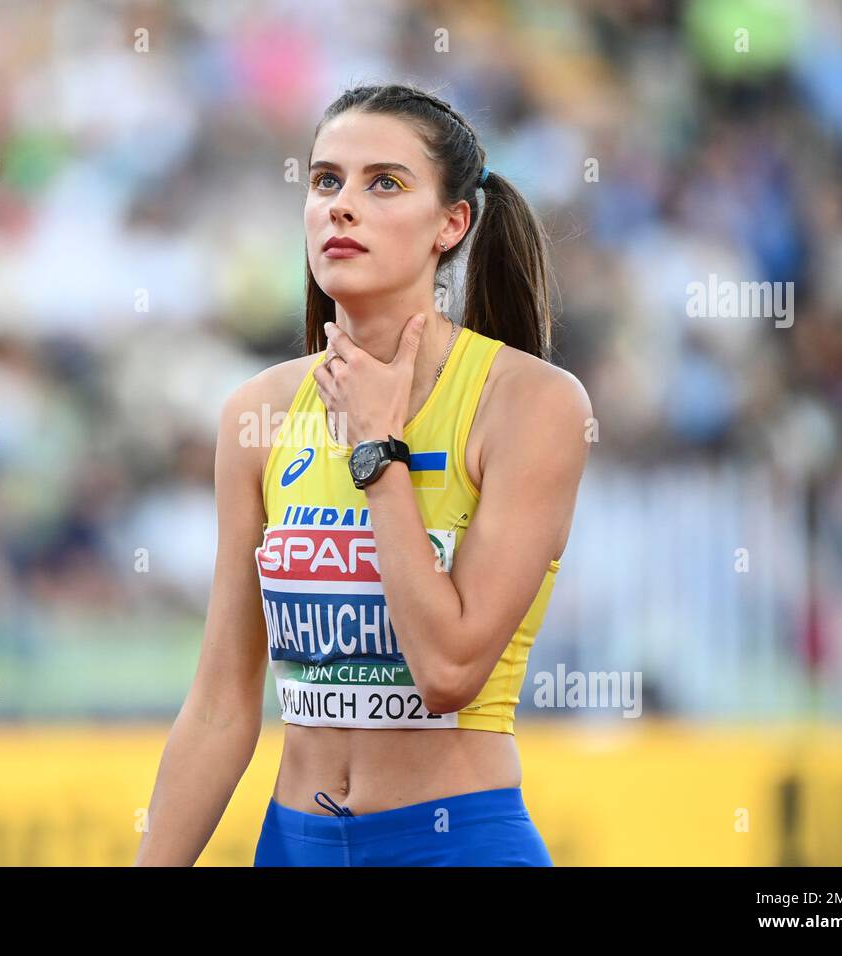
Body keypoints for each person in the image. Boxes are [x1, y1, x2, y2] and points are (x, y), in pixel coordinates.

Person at [135, 83, 591, 866]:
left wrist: (380, 455)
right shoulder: (259, 412)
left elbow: (448, 670)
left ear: (453, 223)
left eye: (385, 182)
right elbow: (219, 706)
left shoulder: (531, 404)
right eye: (325, 181)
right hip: (295, 843)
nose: (342, 206)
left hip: (455, 842)